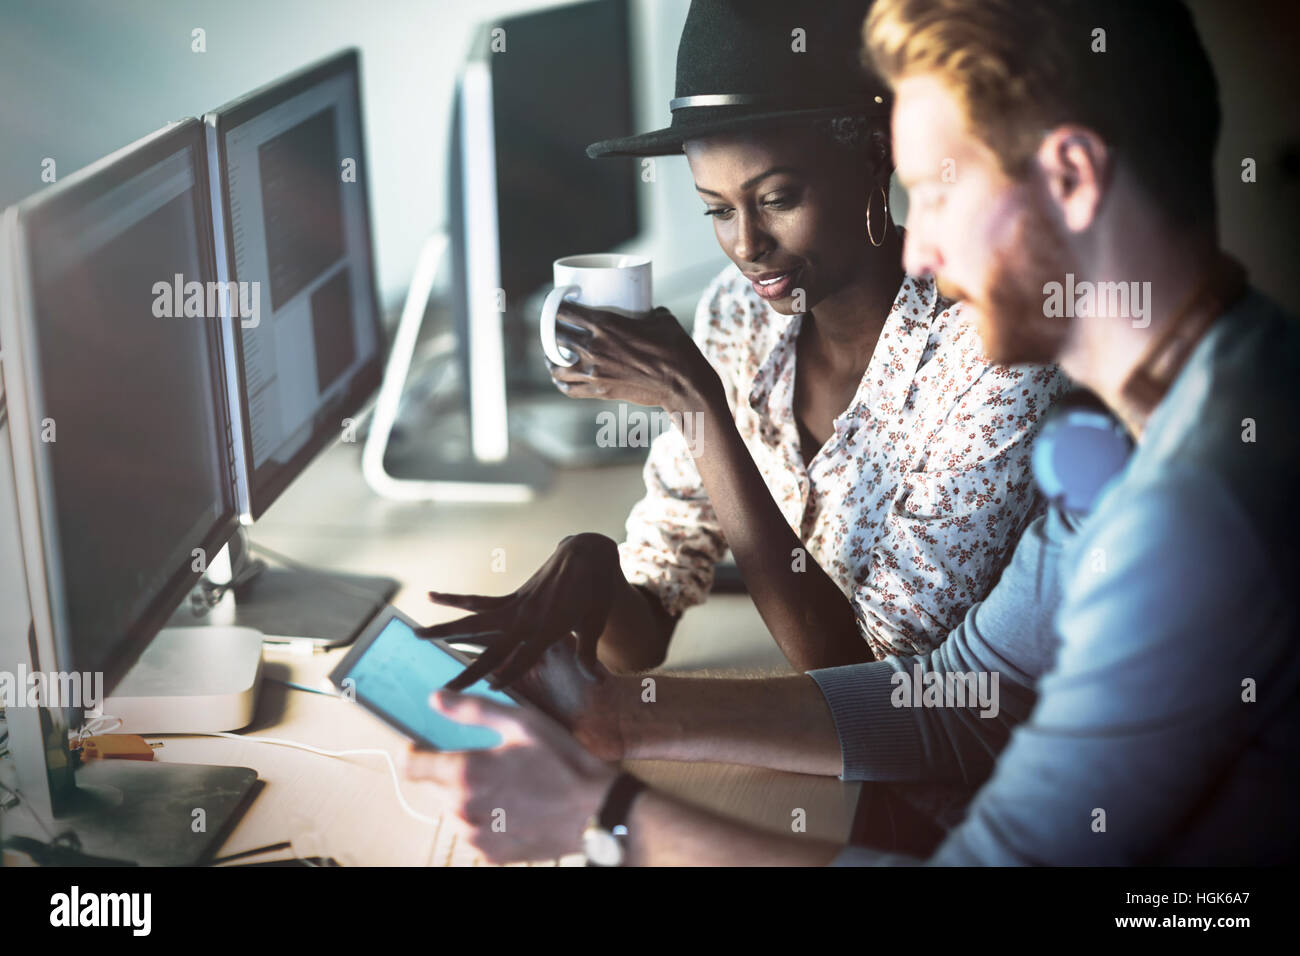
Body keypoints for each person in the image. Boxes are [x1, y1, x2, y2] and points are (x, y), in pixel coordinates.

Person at [405, 0, 1300, 866]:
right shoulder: (1182, 409)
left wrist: (608, 821)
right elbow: (958, 704)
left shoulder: (1201, 512)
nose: (917, 253)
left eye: (940, 194)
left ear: (1069, 179)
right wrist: (615, 715)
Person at [422, 0, 1066, 682]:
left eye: (778, 199)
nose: (748, 247)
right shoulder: (739, 315)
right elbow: (644, 636)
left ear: (877, 156)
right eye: (718, 210)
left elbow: (874, 679)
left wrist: (696, 407)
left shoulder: (993, 353)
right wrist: (591, 566)